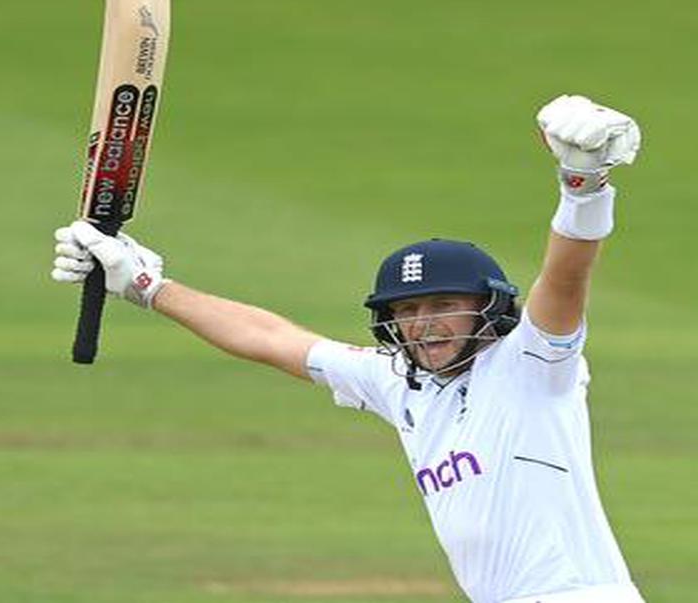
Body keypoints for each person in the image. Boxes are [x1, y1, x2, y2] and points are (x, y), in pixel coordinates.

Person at [51, 94, 646, 603]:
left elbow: (565, 278)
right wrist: (148, 286)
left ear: (487, 308)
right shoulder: (401, 384)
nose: (424, 325)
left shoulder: (532, 365)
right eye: (407, 312)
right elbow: (272, 339)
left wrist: (582, 187)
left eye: (443, 305)